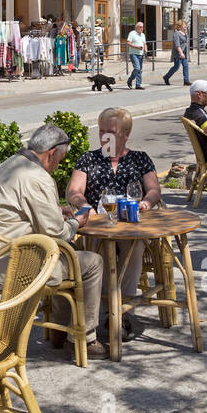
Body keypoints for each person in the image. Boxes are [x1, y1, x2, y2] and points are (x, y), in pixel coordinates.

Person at [0, 124, 107, 360]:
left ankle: (60, 330)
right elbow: (56, 233)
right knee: (91, 261)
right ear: (51, 153)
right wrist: (77, 222)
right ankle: (84, 338)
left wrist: (56, 210)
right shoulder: (37, 177)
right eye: (59, 160)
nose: (58, 165)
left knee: (68, 254)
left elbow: (22, 209)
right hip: (19, 265)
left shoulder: (8, 165)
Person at [66, 108, 162, 314]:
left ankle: (124, 311)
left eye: (110, 132)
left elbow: (154, 190)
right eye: (101, 131)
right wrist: (85, 207)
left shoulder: (140, 159)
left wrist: (146, 203)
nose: (104, 137)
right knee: (99, 252)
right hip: (98, 224)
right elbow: (73, 191)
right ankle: (109, 307)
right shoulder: (88, 159)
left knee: (135, 247)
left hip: (131, 224)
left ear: (126, 133)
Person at [163, 19, 189, 86]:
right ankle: (166, 77)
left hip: (185, 52)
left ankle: (186, 81)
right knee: (176, 66)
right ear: (180, 26)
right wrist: (181, 53)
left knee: (186, 66)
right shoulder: (176, 33)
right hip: (178, 53)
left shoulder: (185, 33)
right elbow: (177, 44)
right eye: (184, 25)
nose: (185, 26)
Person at [126, 21, 146, 89]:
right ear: (137, 27)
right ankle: (130, 79)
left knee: (140, 70)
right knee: (137, 68)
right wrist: (136, 47)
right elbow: (128, 43)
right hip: (133, 54)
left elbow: (144, 43)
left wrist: (145, 49)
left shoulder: (143, 35)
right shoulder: (132, 33)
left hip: (141, 54)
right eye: (140, 27)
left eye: (142, 27)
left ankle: (138, 84)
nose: (142, 28)